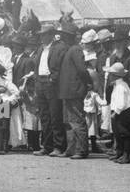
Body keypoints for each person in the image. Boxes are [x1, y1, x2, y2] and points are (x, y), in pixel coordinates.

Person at [56, 23, 92, 159]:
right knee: (69, 122)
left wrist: (88, 82)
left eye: (65, 35)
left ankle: (81, 149)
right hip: (68, 90)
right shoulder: (71, 50)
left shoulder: (75, 49)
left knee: (76, 120)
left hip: (73, 90)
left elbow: (82, 70)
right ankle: (71, 149)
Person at [32, 22, 67, 156]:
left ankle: (59, 146)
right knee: (44, 117)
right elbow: (37, 67)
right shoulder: (41, 49)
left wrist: (53, 78)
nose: (42, 37)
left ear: (51, 35)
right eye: (41, 35)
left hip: (51, 83)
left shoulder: (59, 47)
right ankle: (47, 146)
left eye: (45, 35)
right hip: (40, 83)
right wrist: (37, 80)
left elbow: (60, 66)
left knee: (55, 116)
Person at [106, 61, 130, 163]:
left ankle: (127, 155)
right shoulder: (120, 84)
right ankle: (122, 153)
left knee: (125, 133)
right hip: (124, 111)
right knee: (119, 133)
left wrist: (115, 112)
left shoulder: (120, 87)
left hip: (124, 112)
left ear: (114, 76)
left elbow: (121, 103)